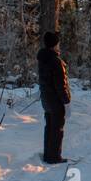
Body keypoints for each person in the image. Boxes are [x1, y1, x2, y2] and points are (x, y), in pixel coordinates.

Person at [37, 30, 71, 163]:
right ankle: (54, 157)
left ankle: (48, 155)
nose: (59, 45)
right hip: (56, 101)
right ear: (54, 44)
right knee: (57, 129)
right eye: (58, 43)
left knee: (50, 127)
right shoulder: (55, 61)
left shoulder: (43, 59)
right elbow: (60, 85)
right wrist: (66, 102)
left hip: (46, 99)